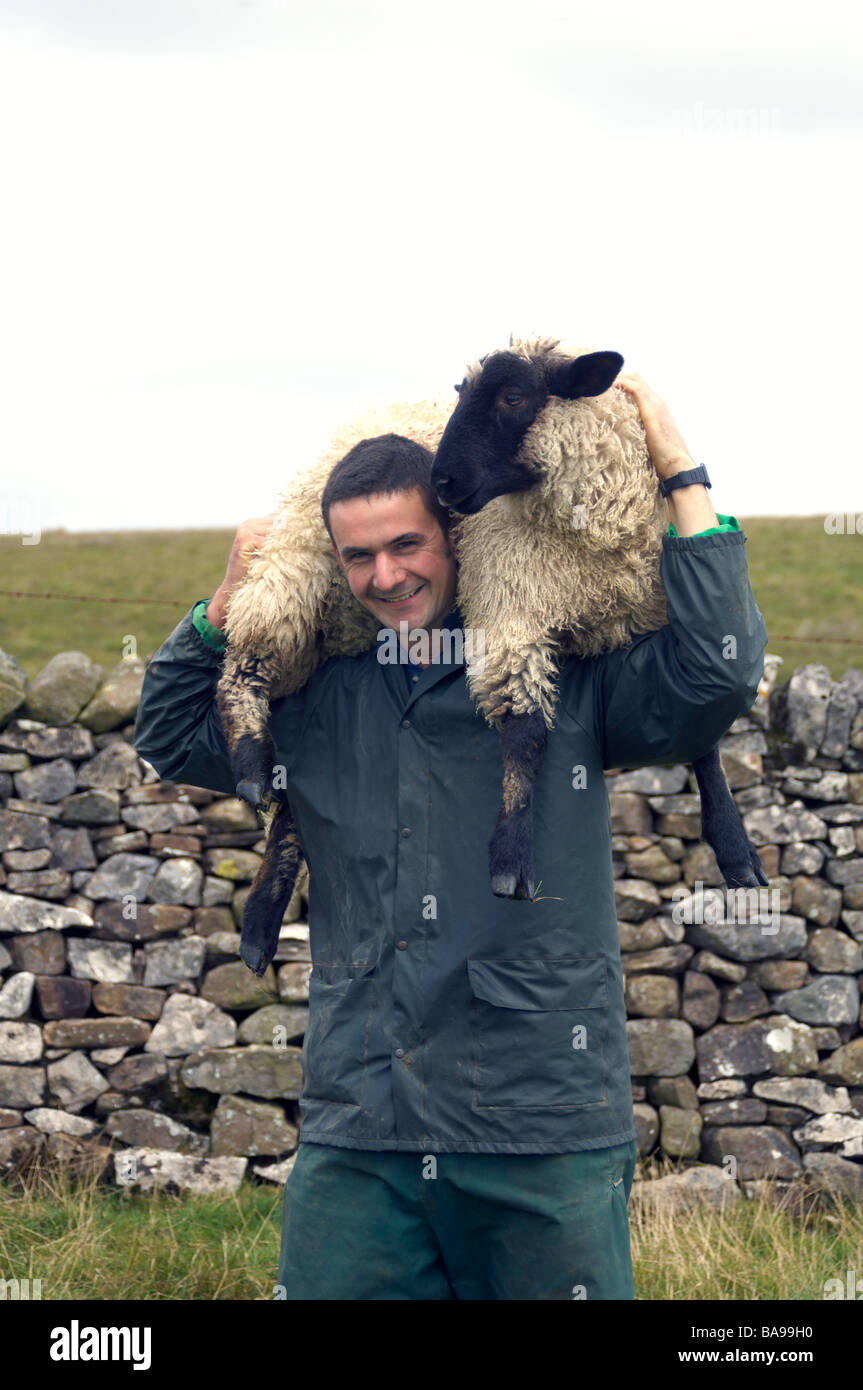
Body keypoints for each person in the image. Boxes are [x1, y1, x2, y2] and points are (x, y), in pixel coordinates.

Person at [134, 372, 767, 1300]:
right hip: (362, 1129)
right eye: (357, 557)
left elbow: (715, 676)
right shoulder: (319, 699)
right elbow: (170, 733)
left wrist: (679, 469)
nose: (385, 577)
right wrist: (224, 602)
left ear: (457, 535)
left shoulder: (566, 676)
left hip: (538, 1125)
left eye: (405, 545)